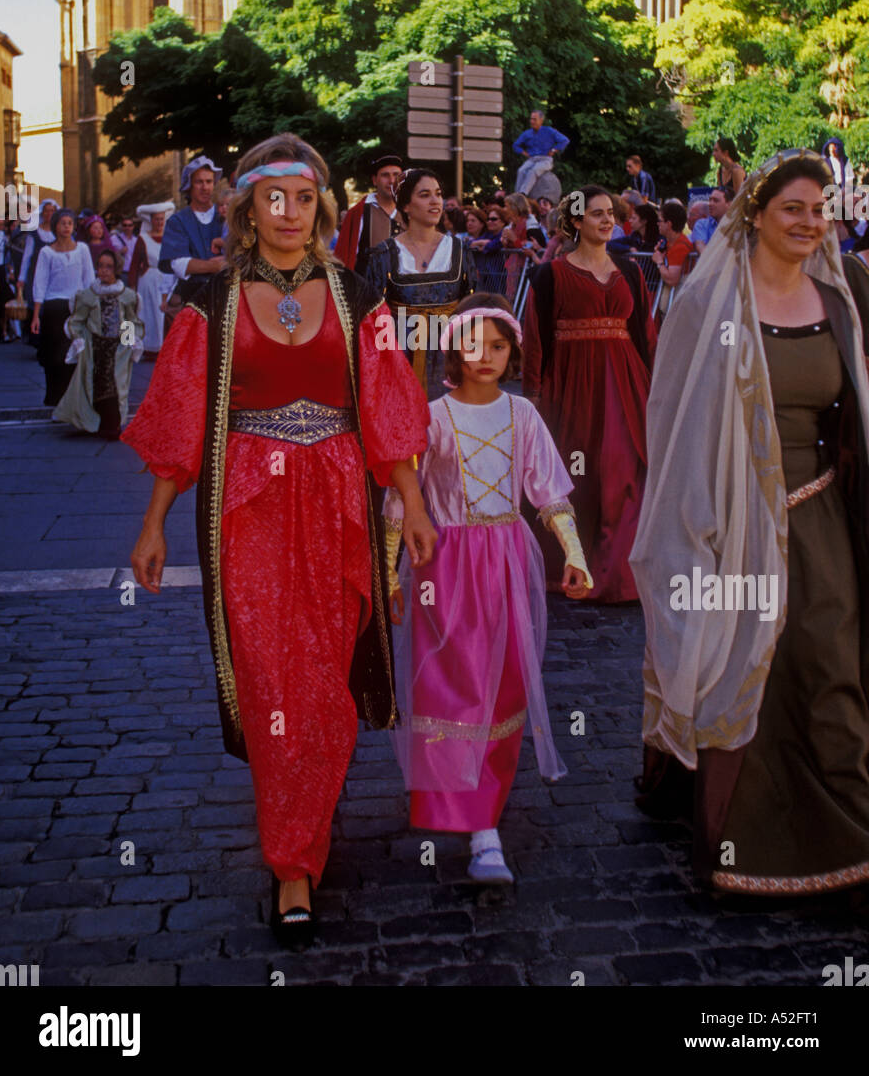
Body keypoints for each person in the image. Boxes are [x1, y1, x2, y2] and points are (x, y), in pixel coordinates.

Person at [124, 133, 435, 949]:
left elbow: (391, 404)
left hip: (338, 502)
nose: (290, 214)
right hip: (248, 509)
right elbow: (185, 415)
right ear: (246, 208)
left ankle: (309, 804)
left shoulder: (360, 294)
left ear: (322, 208)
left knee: (326, 672)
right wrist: (154, 520)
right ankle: (292, 863)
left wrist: (414, 505)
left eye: (304, 199)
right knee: (271, 672)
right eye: (273, 198)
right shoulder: (212, 304)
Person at [632, 148, 869, 898]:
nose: (809, 222)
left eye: (819, 208)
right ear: (756, 213)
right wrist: (695, 528)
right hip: (733, 519)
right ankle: (739, 830)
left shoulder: (845, 295)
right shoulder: (713, 307)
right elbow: (679, 421)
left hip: (823, 514)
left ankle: (850, 835)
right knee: (737, 670)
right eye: (792, 208)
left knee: (831, 666)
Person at [384, 294, 592, 884]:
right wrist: (385, 573)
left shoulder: (523, 415)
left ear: (512, 351)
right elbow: (401, 499)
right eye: (474, 345)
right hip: (443, 565)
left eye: (498, 346)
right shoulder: (431, 415)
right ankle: (458, 805)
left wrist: (573, 552)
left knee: (498, 686)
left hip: (505, 561)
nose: (487, 356)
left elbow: (550, 491)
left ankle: (484, 820)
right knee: (452, 682)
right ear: (455, 349)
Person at [523, 186, 657, 603]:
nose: (607, 220)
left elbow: (644, 337)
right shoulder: (550, 274)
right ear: (576, 222)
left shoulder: (630, 272)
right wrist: (534, 400)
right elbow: (535, 339)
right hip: (572, 388)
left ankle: (619, 572)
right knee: (578, 473)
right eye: (596, 214)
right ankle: (572, 564)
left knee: (625, 471)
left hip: (625, 384)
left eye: (611, 214)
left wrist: (659, 389)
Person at [365, 168, 476, 399]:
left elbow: (474, 309)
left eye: (438, 194)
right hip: (400, 359)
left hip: (450, 359)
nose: (435, 201)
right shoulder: (384, 255)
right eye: (425, 195)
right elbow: (372, 319)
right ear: (406, 205)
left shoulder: (460, 250)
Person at [54, 248, 144, 440]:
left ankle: (113, 425)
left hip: (117, 349)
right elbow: (77, 320)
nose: (104, 271)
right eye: (101, 266)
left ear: (116, 269)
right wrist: (78, 339)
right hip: (95, 347)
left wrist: (131, 342)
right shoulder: (88, 295)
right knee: (95, 384)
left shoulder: (126, 295)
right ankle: (98, 423)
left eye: (109, 267)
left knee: (116, 384)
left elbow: (130, 319)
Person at [31, 208, 94, 405]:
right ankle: (55, 398)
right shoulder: (47, 252)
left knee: (76, 353)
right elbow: (40, 283)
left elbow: (88, 279)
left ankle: (74, 399)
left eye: (69, 223)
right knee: (54, 356)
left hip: (76, 306)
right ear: (55, 227)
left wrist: (91, 307)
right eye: (62, 223)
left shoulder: (82, 249)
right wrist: (36, 315)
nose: (66, 227)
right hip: (53, 307)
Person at [159, 155, 226, 332]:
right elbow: (179, 264)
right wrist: (217, 265)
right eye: (199, 182)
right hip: (191, 298)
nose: (205, 187)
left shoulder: (226, 217)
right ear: (189, 186)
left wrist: (199, 264)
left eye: (209, 181)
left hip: (227, 296)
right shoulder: (178, 221)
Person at [334, 154, 403, 274]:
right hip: (367, 289)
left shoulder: (411, 211)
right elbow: (344, 259)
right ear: (375, 180)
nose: (392, 181)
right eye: (385, 175)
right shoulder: (358, 213)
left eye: (396, 175)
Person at [127, 202, 174, 358]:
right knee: (148, 313)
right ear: (151, 221)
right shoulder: (143, 238)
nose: (159, 223)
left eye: (161, 219)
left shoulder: (170, 236)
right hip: (148, 280)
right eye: (156, 219)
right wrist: (132, 286)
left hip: (166, 278)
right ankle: (147, 347)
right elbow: (134, 263)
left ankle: (164, 347)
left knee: (164, 314)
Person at [16, 198, 59, 348]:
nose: (49, 214)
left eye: (52, 211)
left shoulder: (60, 232)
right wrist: (21, 278)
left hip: (55, 276)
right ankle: (38, 339)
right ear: (42, 212)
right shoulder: (34, 232)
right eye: (47, 210)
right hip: (36, 275)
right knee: (37, 306)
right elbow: (27, 256)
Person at [651, 199, 696, 322]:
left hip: (677, 310)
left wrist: (659, 262)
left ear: (669, 224)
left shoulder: (680, 246)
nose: (657, 224)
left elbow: (672, 279)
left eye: (660, 221)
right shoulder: (671, 243)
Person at [513, 110, 569, 197]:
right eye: (531, 119)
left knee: (534, 170)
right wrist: (523, 152)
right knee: (521, 170)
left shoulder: (549, 131)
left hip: (545, 159)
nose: (532, 121)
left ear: (541, 120)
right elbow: (516, 145)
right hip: (532, 159)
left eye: (534, 119)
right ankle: (516, 195)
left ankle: (523, 193)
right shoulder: (527, 133)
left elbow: (564, 140)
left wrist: (554, 150)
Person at [469, 204, 508, 291]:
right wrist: (481, 242)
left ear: (503, 222)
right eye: (488, 219)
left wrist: (485, 246)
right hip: (486, 278)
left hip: (501, 278)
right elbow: (468, 244)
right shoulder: (487, 235)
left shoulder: (504, 234)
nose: (490, 221)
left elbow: (494, 245)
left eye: (494, 219)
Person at [692, 186, 732, 255]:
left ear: (729, 204)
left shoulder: (736, 225)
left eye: (716, 201)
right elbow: (701, 249)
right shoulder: (702, 225)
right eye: (710, 200)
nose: (710, 204)